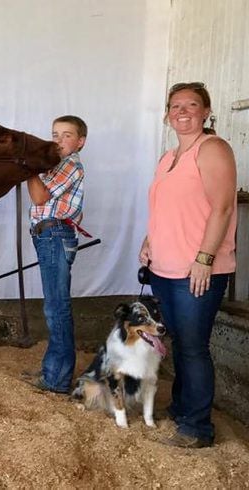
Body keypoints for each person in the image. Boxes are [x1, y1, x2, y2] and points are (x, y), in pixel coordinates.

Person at [139, 82, 237, 448]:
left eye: (191, 105)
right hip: (164, 268)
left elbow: (223, 208)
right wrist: (149, 241)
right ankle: (181, 408)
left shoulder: (212, 150)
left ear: (206, 111)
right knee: (179, 342)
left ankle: (197, 428)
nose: (182, 111)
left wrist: (205, 259)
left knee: (194, 346)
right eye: (175, 105)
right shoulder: (168, 158)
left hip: (197, 270)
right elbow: (166, 208)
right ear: (167, 114)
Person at [22, 115, 88, 395]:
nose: (58, 140)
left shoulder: (70, 165)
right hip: (49, 234)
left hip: (54, 235)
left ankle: (57, 378)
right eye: (55, 134)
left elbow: (39, 198)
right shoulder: (56, 165)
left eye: (67, 135)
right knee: (54, 305)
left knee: (56, 307)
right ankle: (53, 370)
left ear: (80, 141)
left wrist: (27, 169)